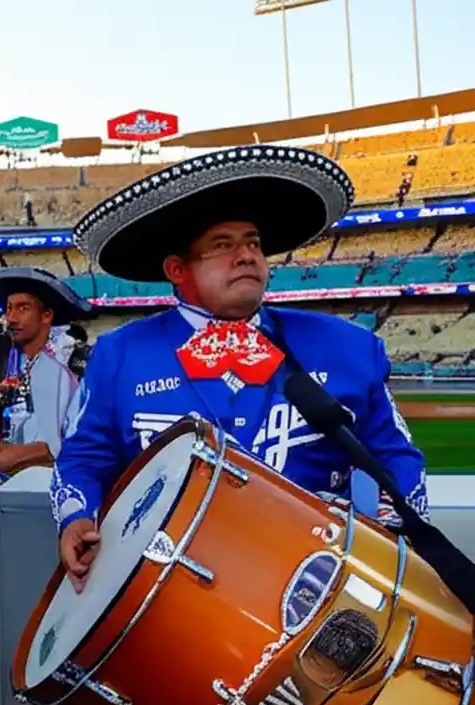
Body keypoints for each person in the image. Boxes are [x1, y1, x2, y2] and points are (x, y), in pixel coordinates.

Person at [52, 145, 428, 592]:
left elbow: (396, 456)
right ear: (177, 269)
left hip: (318, 590)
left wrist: (392, 543)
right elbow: (83, 457)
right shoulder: (118, 356)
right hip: (166, 593)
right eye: (222, 245)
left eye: (253, 242)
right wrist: (76, 518)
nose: (247, 255)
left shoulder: (347, 346)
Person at [0, 267, 92, 473]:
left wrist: (17, 455)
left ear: (46, 316)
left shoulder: (77, 359)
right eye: (9, 309)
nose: (12, 318)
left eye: (23, 308)